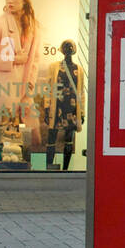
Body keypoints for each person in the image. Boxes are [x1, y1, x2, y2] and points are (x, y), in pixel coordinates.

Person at [0, 0, 41, 153]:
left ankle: (24, 168)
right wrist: (14, 60)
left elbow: (35, 59)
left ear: (24, 0)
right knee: (2, 133)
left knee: (32, 137)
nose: (10, 1)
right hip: (4, 87)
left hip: (24, 89)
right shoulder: (0, 22)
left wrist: (30, 84)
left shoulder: (33, 25)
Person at [41, 40, 84, 170]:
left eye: (70, 46)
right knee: (51, 136)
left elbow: (81, 92)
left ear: (74, 49)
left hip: (71, 106)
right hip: (57, 106)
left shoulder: (79, 69)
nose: (68, 49)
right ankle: (49, 167)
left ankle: (65, 169)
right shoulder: (54, 67)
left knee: (69, 138)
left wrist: (81, 112)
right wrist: (47, 107)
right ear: (62, 49)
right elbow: (48, 87)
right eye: (66, 47)